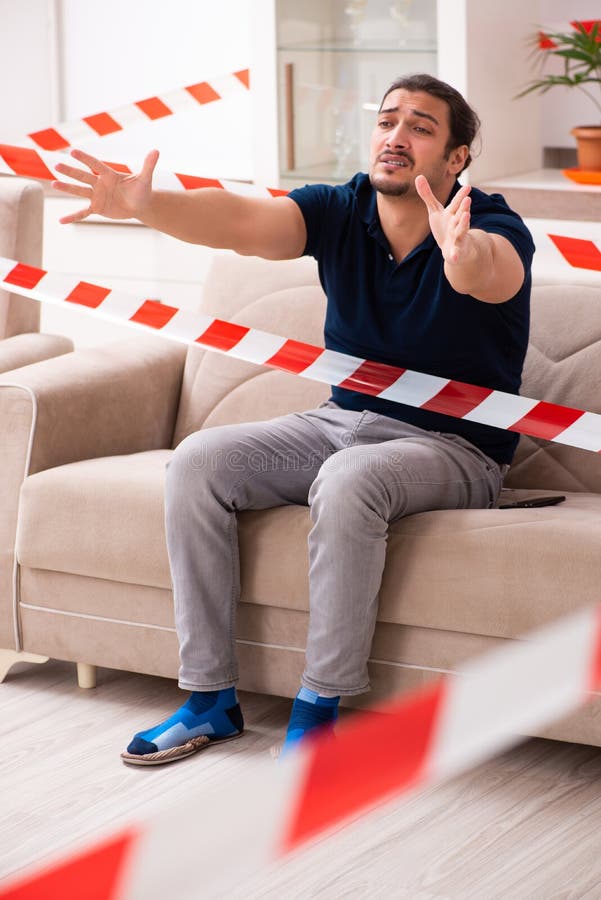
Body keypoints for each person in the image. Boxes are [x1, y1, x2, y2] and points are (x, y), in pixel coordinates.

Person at [53, 73, 534, 765]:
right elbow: (241, 222)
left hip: (456, 448)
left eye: (420, 127)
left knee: (349, 479)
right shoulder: (340, 210)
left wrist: (461, 256)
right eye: (387, 120)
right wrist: (150, 206)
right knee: (199, 461)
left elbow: (492, 274)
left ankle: (319, 708)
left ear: (455, 158)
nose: (395, 136)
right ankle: (210, 699)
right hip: (343, 422)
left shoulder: (485, 224)